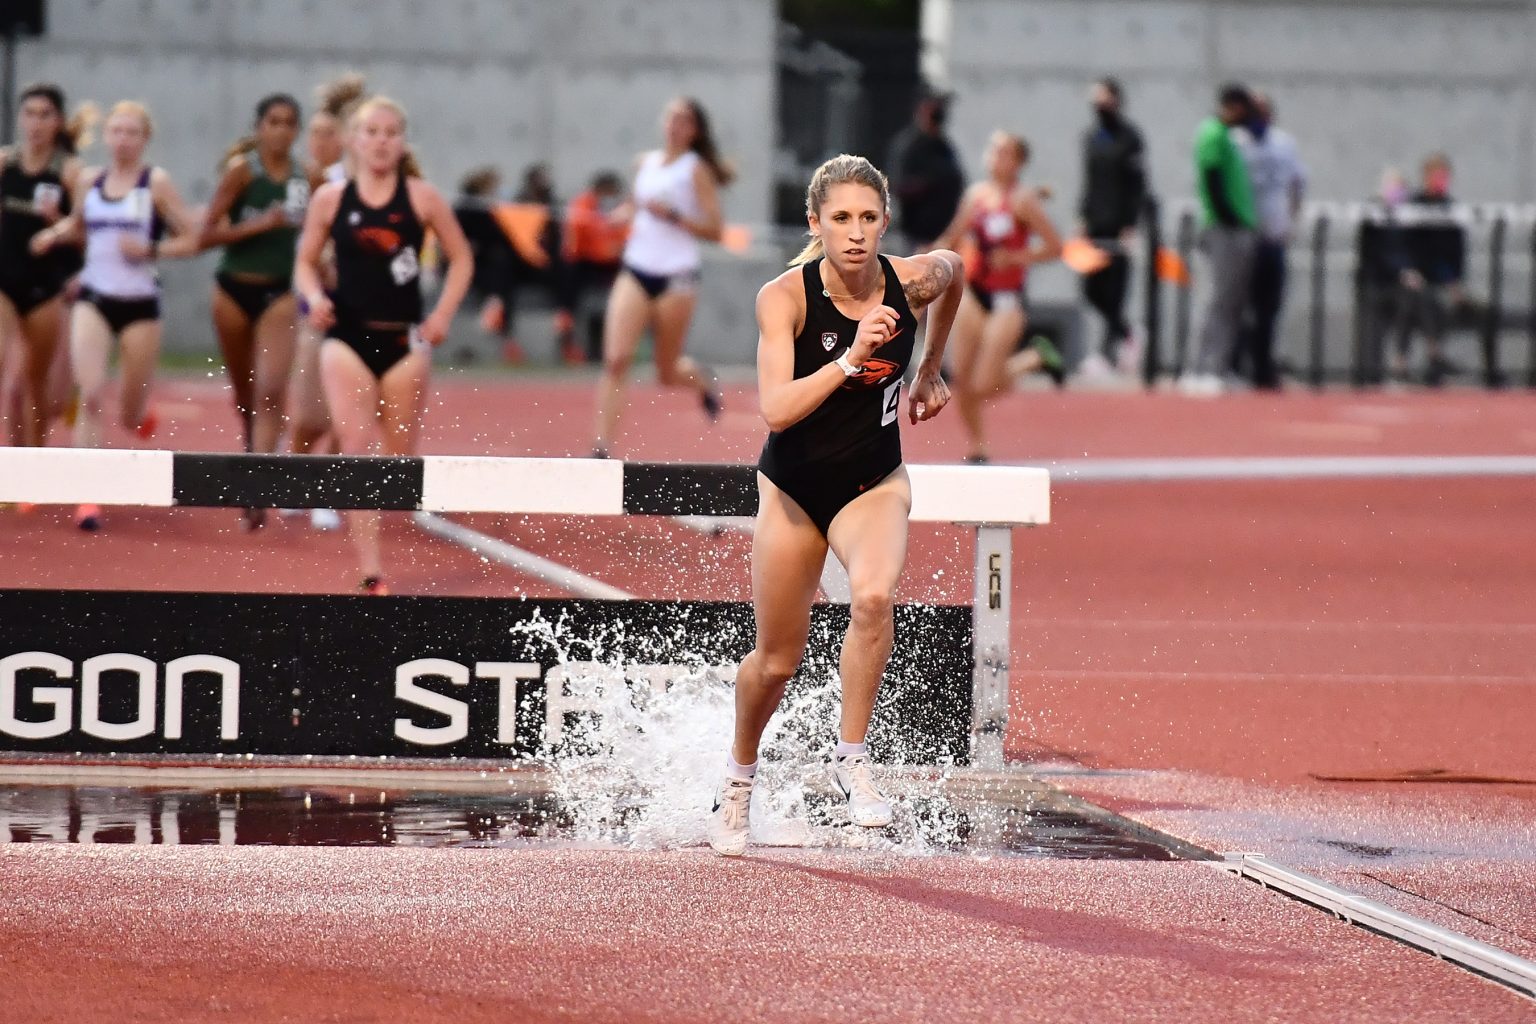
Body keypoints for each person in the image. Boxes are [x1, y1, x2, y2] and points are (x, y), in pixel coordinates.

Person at [707, 154, 962, 857]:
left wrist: (929, 368)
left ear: (886, 221)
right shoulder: (783, 298)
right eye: (841, 218)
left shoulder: (911, 282)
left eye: (868, 218)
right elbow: (776, 409)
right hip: (794, 492)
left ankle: (851, 757)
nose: (855, 232)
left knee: (873, 597)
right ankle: (737, 778)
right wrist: (851, 357)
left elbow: (956, 271)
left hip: (873, 482)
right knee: (776, 660)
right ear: (815, 223)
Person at [294, 96, 472, 595]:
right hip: (347, 338)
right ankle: (371, 571)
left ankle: (377, 513)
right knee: (356, 448)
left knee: (397, 463)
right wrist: (314, 298)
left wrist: (442, 315)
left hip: (403, 341)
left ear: (402, 142)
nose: (380, 141)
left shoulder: (422, 198)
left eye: (390, 133)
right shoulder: (331, 199)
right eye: (371, 132)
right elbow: (305, 261)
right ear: (353, 140)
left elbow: (462, 259)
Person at [31, 101, 200, 532]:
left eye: (132, 133)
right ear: (106, 136)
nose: (123, 140)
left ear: (144, 139)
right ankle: (88, 495)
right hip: (93, 297)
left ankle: (139, 415)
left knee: (128, 414)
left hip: (140, 304)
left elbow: (192, 238)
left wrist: (151, 249)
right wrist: (53, 232)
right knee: (89, 394)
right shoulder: (90, 180)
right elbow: (79, 227)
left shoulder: (154, 183)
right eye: (116, 131)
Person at [591, 97, 730, 458]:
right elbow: (637, 206)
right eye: (671, 118)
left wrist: (674, 216)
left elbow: (716, 230)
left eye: (684, 120)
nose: (674, 125)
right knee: (616, 358)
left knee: (666, 372)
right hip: (636, 269)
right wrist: (619, 217)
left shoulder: (695, 169)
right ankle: (602, 447)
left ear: (695, 130)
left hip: (676, 276)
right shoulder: (646, 163)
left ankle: (703, 380)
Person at [198, 93, 308, 530]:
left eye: (288, 123)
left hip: (278, 292)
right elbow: (205, 235)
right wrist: (260, 224)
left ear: (296, 130)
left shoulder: (306, 177)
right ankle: (251, 450)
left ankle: (256, 489)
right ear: (259, 127)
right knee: (245, 395)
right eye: (273, 122)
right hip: (232, 290)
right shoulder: (242, 172)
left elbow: (322, 227)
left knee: (270, 391)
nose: (280, 130)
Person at [932, 131, 1064, 464]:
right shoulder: (976, 195)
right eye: (993, 149)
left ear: (1017, 162)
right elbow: (953, 235)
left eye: (1004, 152)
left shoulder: (1022, 200)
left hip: (1006, 298)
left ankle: (1034, 358)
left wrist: (1017, 258)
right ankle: (978, 447)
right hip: (974, 293)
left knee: (985, 384)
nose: (994, 156)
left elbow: (1055, 247)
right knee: (961, 380)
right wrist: (929, 259)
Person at [0, 84, 90, 450]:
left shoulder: (70, 172)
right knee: (6, 372)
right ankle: (9, 462)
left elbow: (87, 235)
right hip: (4, 280)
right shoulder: (5, 163)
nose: (36, 123)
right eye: (30, 113)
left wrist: (57, 224)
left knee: (35, 383)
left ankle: (35, 459)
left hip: (46, 285)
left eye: (45, 115)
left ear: (59, 122)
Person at [1185, 83, 1258, 396]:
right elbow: (1212, 178)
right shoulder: (1213, 133)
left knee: (1229, 303)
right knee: (1215, 300)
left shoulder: (1225, 135)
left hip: (1233, 228)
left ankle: (1218, 367)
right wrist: (1228, 218)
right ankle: (1199, 369)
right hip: (1223, 230)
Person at [1233, 91, 1306, 390]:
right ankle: (1235, 365)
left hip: (1273, 237)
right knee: (1239, 306)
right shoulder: (1236, 142)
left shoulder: (1284, 144)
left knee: (1269, 308)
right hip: (1243, 238)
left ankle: (1263, 369)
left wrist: (1291, 221)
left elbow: (1298, 184)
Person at [1076, 77, 1147, 378]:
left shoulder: (1130, 138)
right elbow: (1089, 181)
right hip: (1095, 225)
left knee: (1115, 291)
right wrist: (1082, 218)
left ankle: (1108, 352)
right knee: (1091, 290)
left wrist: (1130, 224)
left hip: (1119, 226)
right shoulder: (1092, 137)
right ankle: (1127, 333)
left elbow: (1137, 185)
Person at [1399, 152, 1470, 386]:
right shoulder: (1413, 206)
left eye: (1444, 176)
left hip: (1441, 279)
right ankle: (1432, 354)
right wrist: (1409, 270)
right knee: (1419, 296)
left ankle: (1420, 359)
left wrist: (1454, 281)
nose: (1441, 180)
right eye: (1436, 175)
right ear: (1426, 176)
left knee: (1433, 299)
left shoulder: (1451, 209)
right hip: (1411, 278)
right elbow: (1404, 245)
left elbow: (1455, 252)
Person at [563, 170, 629, 362]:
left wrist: (617, 248)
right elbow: (576, 241)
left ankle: (606, 349)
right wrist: (604, 248)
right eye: (607, 192)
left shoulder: (622, 207)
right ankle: (567, 337)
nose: (609, 197)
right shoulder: (582, 205)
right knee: (571, 290)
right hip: (584, 262)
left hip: (613, 263)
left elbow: (628, 235)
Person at [886, 92, 965, 252]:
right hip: (914, 237)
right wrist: (927, 184)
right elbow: (898, 186)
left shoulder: (944, 147)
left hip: (943, 237)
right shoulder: (909, 146)